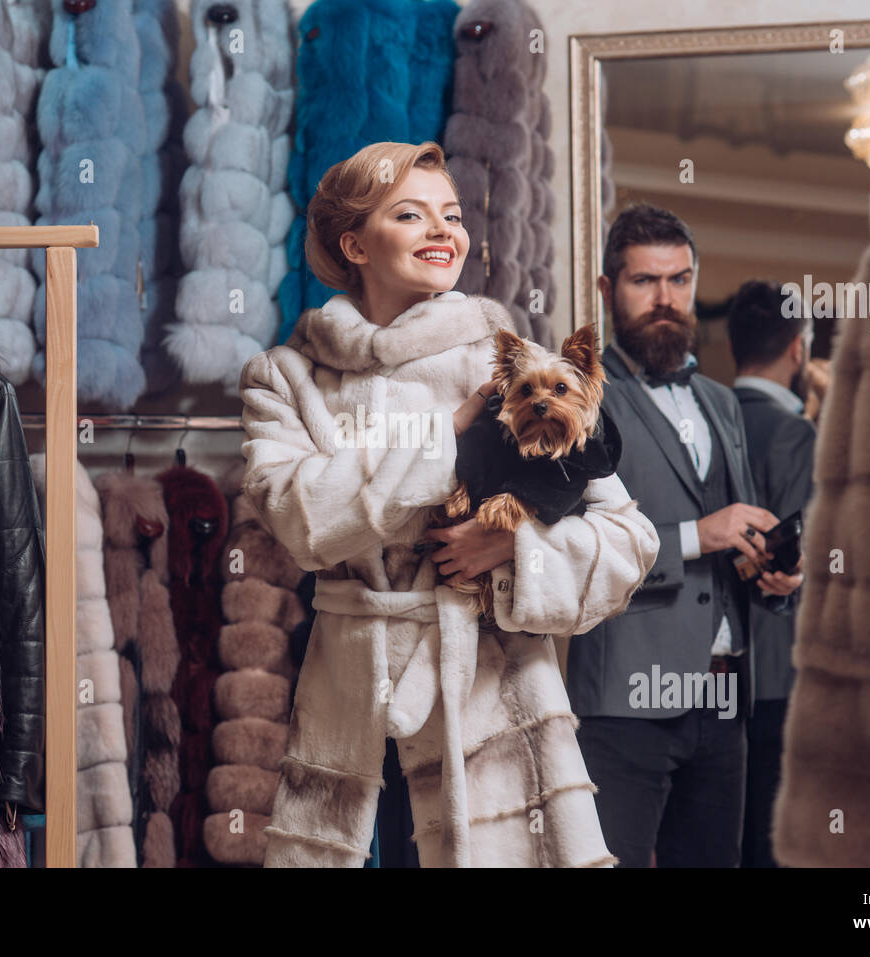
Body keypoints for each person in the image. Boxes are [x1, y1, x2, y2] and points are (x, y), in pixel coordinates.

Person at [237, 141, 659, 867]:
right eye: (411, 214)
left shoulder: (519, 365)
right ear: (353, 242)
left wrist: (512, 550)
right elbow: (300, 519)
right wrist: (449, 435)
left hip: (495, 703)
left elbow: (629, 542)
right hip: (349, 713)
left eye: (453, 216)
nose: (444, 233)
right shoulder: (286, 376)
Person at [568, 203, 802, 868]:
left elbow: (740, 528)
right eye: (646, 282)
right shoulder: (581, 397)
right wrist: (700, 534)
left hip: (724, 701)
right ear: (609, 291)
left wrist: (776, 576)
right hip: (625, 700)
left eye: (680, 280)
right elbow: (573, 549)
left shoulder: (722, 402)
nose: (665, 299)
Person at [726, 279, 817, 867]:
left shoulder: (711, 412)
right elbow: (801, 556)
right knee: (773, 840)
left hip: (706, 673)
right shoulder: (798, 433)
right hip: (780, 670)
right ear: (798, 348)